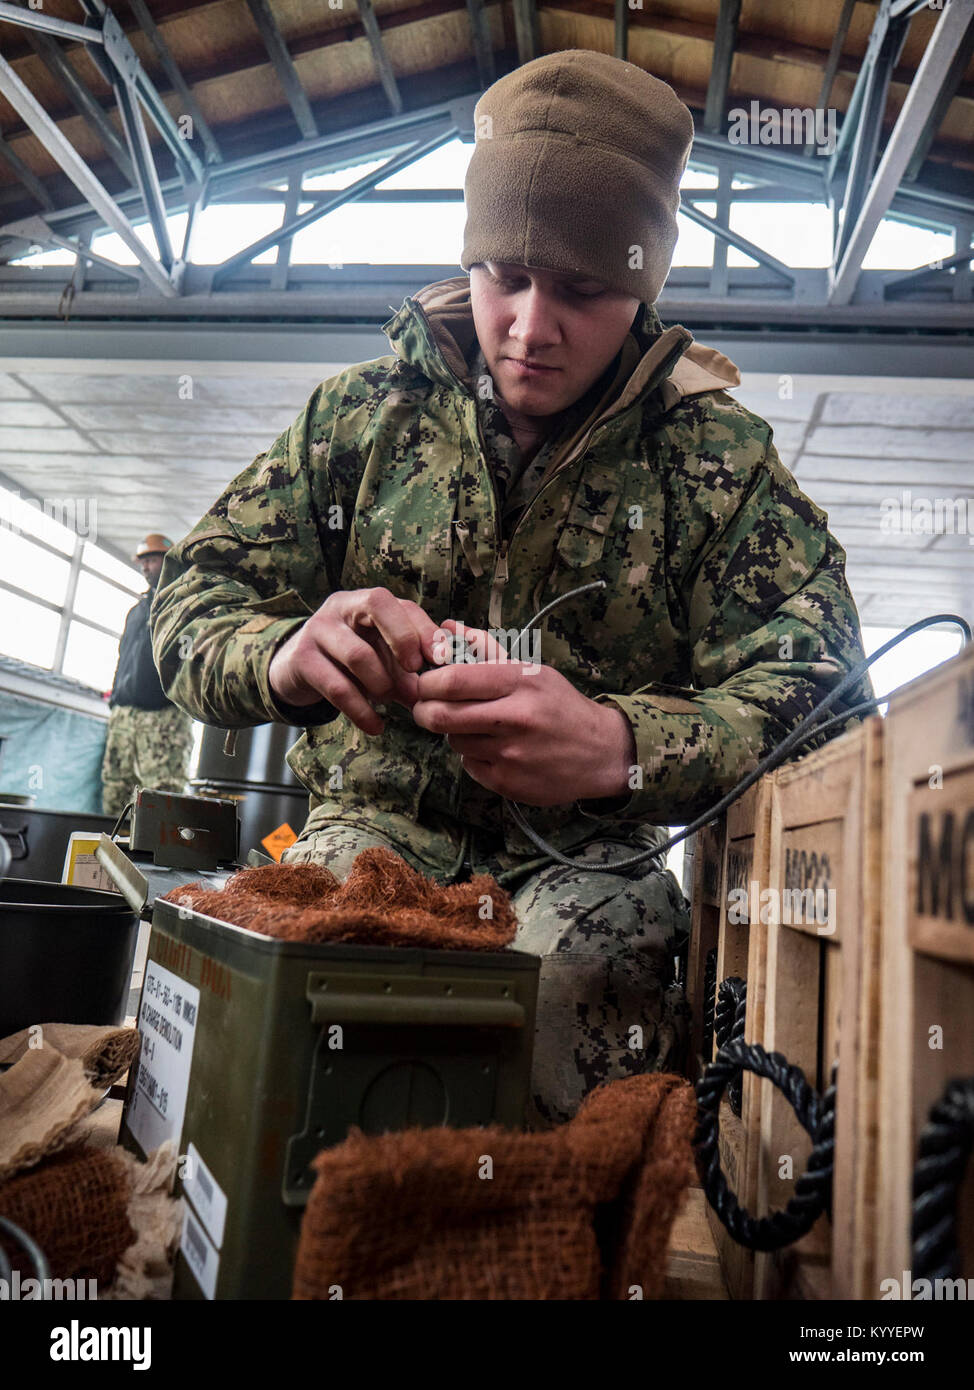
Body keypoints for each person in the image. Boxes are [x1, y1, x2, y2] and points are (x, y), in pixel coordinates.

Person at [151, 51, 875, 1124]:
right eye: (505, 274)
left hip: (594, 863)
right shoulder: (360, 422)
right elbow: (189, 599)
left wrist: (619, 748)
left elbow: (824, 700)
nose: (531, 327)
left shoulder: (714, 468)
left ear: (642, 282)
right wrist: (283, 654)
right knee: (275, 1005)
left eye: (582, 289)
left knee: (576, 1008)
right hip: (369, 833)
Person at [101, 533, 195, 817]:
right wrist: (115, 699)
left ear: (168, 562)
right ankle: (113, 854)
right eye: (142, 561)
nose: (145, 566)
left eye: (151, 559)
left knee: (161, 793)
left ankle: (156, 856)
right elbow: (123, 657)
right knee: (116, 790)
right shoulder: (136, 611)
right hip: (124, 717)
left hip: (163, 718)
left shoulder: (184, 604)